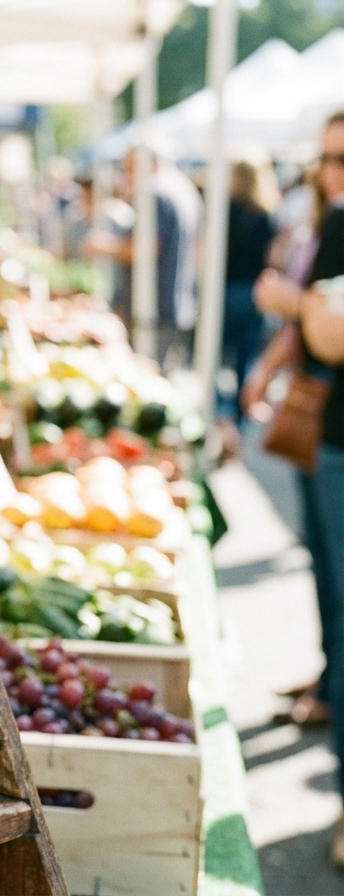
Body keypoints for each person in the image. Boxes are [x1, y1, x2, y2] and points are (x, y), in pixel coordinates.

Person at [253, 109, 344, 867]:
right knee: (331, 580)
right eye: (326, 157)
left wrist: (294, 304)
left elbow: (328, 331)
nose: (331, 171)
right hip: (332, 431)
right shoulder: (336, 220)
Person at [90, 151, 203, 370]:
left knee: (147, 375)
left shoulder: (155, 191)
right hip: (177, 301)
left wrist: (103, 246)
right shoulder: (184, 188)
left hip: (154, 306)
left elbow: (148, 246)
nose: (126, 176)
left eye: (128, 169)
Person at [220, 161, 276, 426]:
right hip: (254, 294)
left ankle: (221, 416)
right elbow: (271, 255)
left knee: (221, 357)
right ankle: (239, 420)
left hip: (230, 290)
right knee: (245, 359)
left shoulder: (229, 209)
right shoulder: (266, 213)